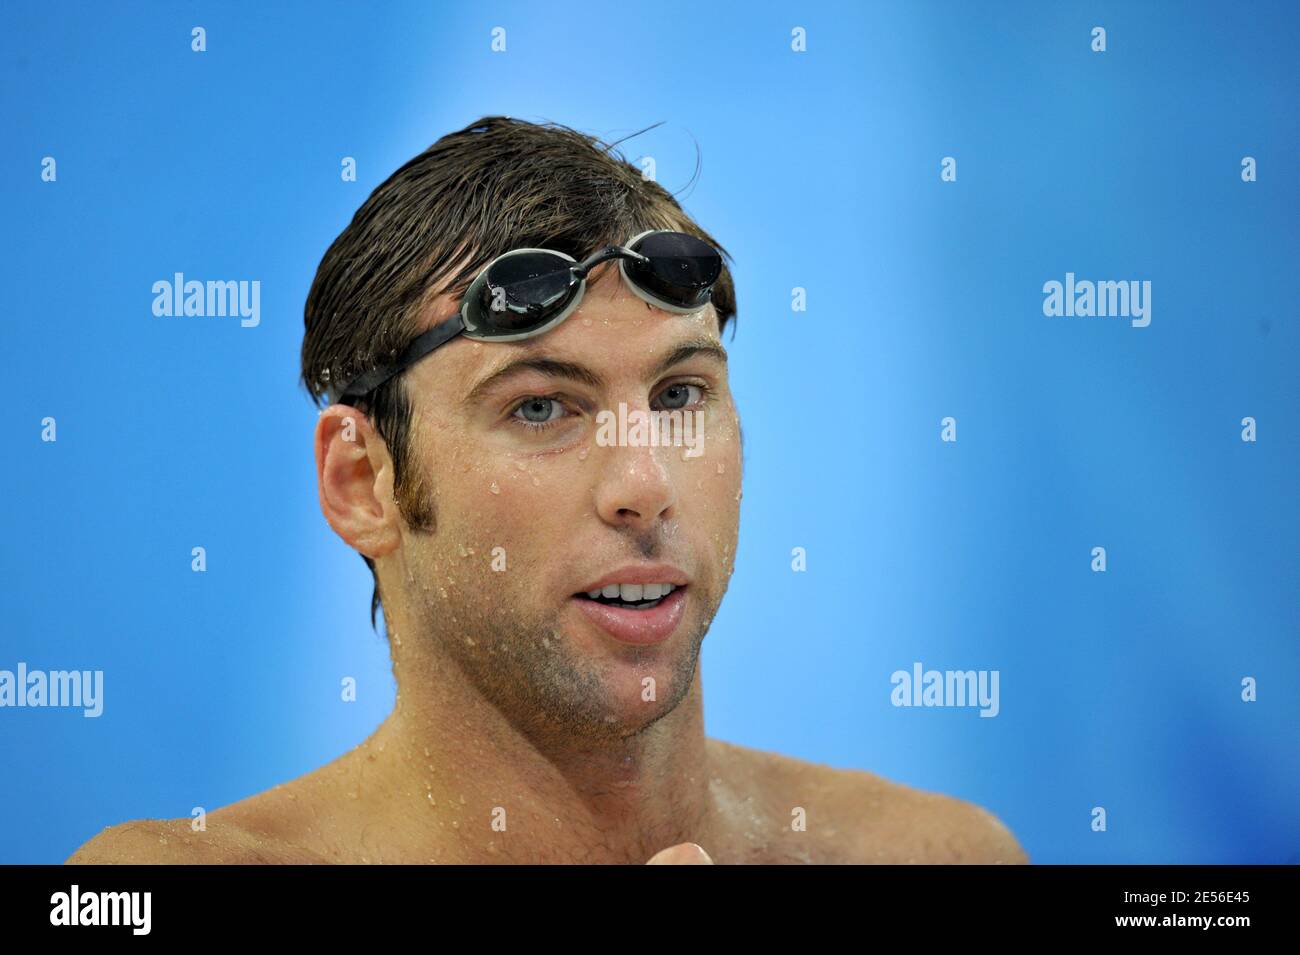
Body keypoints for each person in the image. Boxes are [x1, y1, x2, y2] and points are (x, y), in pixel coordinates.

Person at [67, 116, 1028, 865]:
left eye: (680, 394)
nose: (644, 483)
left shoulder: (936, 853)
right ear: (363, 481)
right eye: (541, 409)